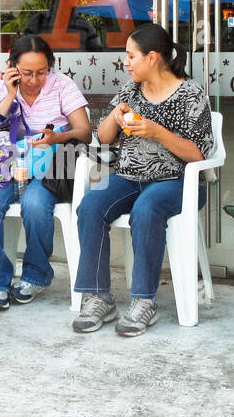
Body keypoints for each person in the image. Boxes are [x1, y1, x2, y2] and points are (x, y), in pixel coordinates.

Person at [73, 23, 212, 337]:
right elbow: (104, 138)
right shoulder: (130, 90)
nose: (126, 62)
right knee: (91, 205)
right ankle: (98, 297)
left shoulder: (191, 94)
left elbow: (198, 154)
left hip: (176, 182)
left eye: (130, 56)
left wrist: (157, 132)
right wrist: (115, 116)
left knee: (146, 209)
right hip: (128, 177)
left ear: (152, 58)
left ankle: (143, 301)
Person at [0, 33, 91, 310]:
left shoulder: (62, 85)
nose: (34, 80)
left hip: (50, 170)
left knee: (35, 204)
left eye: (41, 72)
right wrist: (10, 95)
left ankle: (36, 275)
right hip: (9, 167)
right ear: (12, 67)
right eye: (27, 73)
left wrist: (55, 138)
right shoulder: (3, 89)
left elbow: (84, 132)